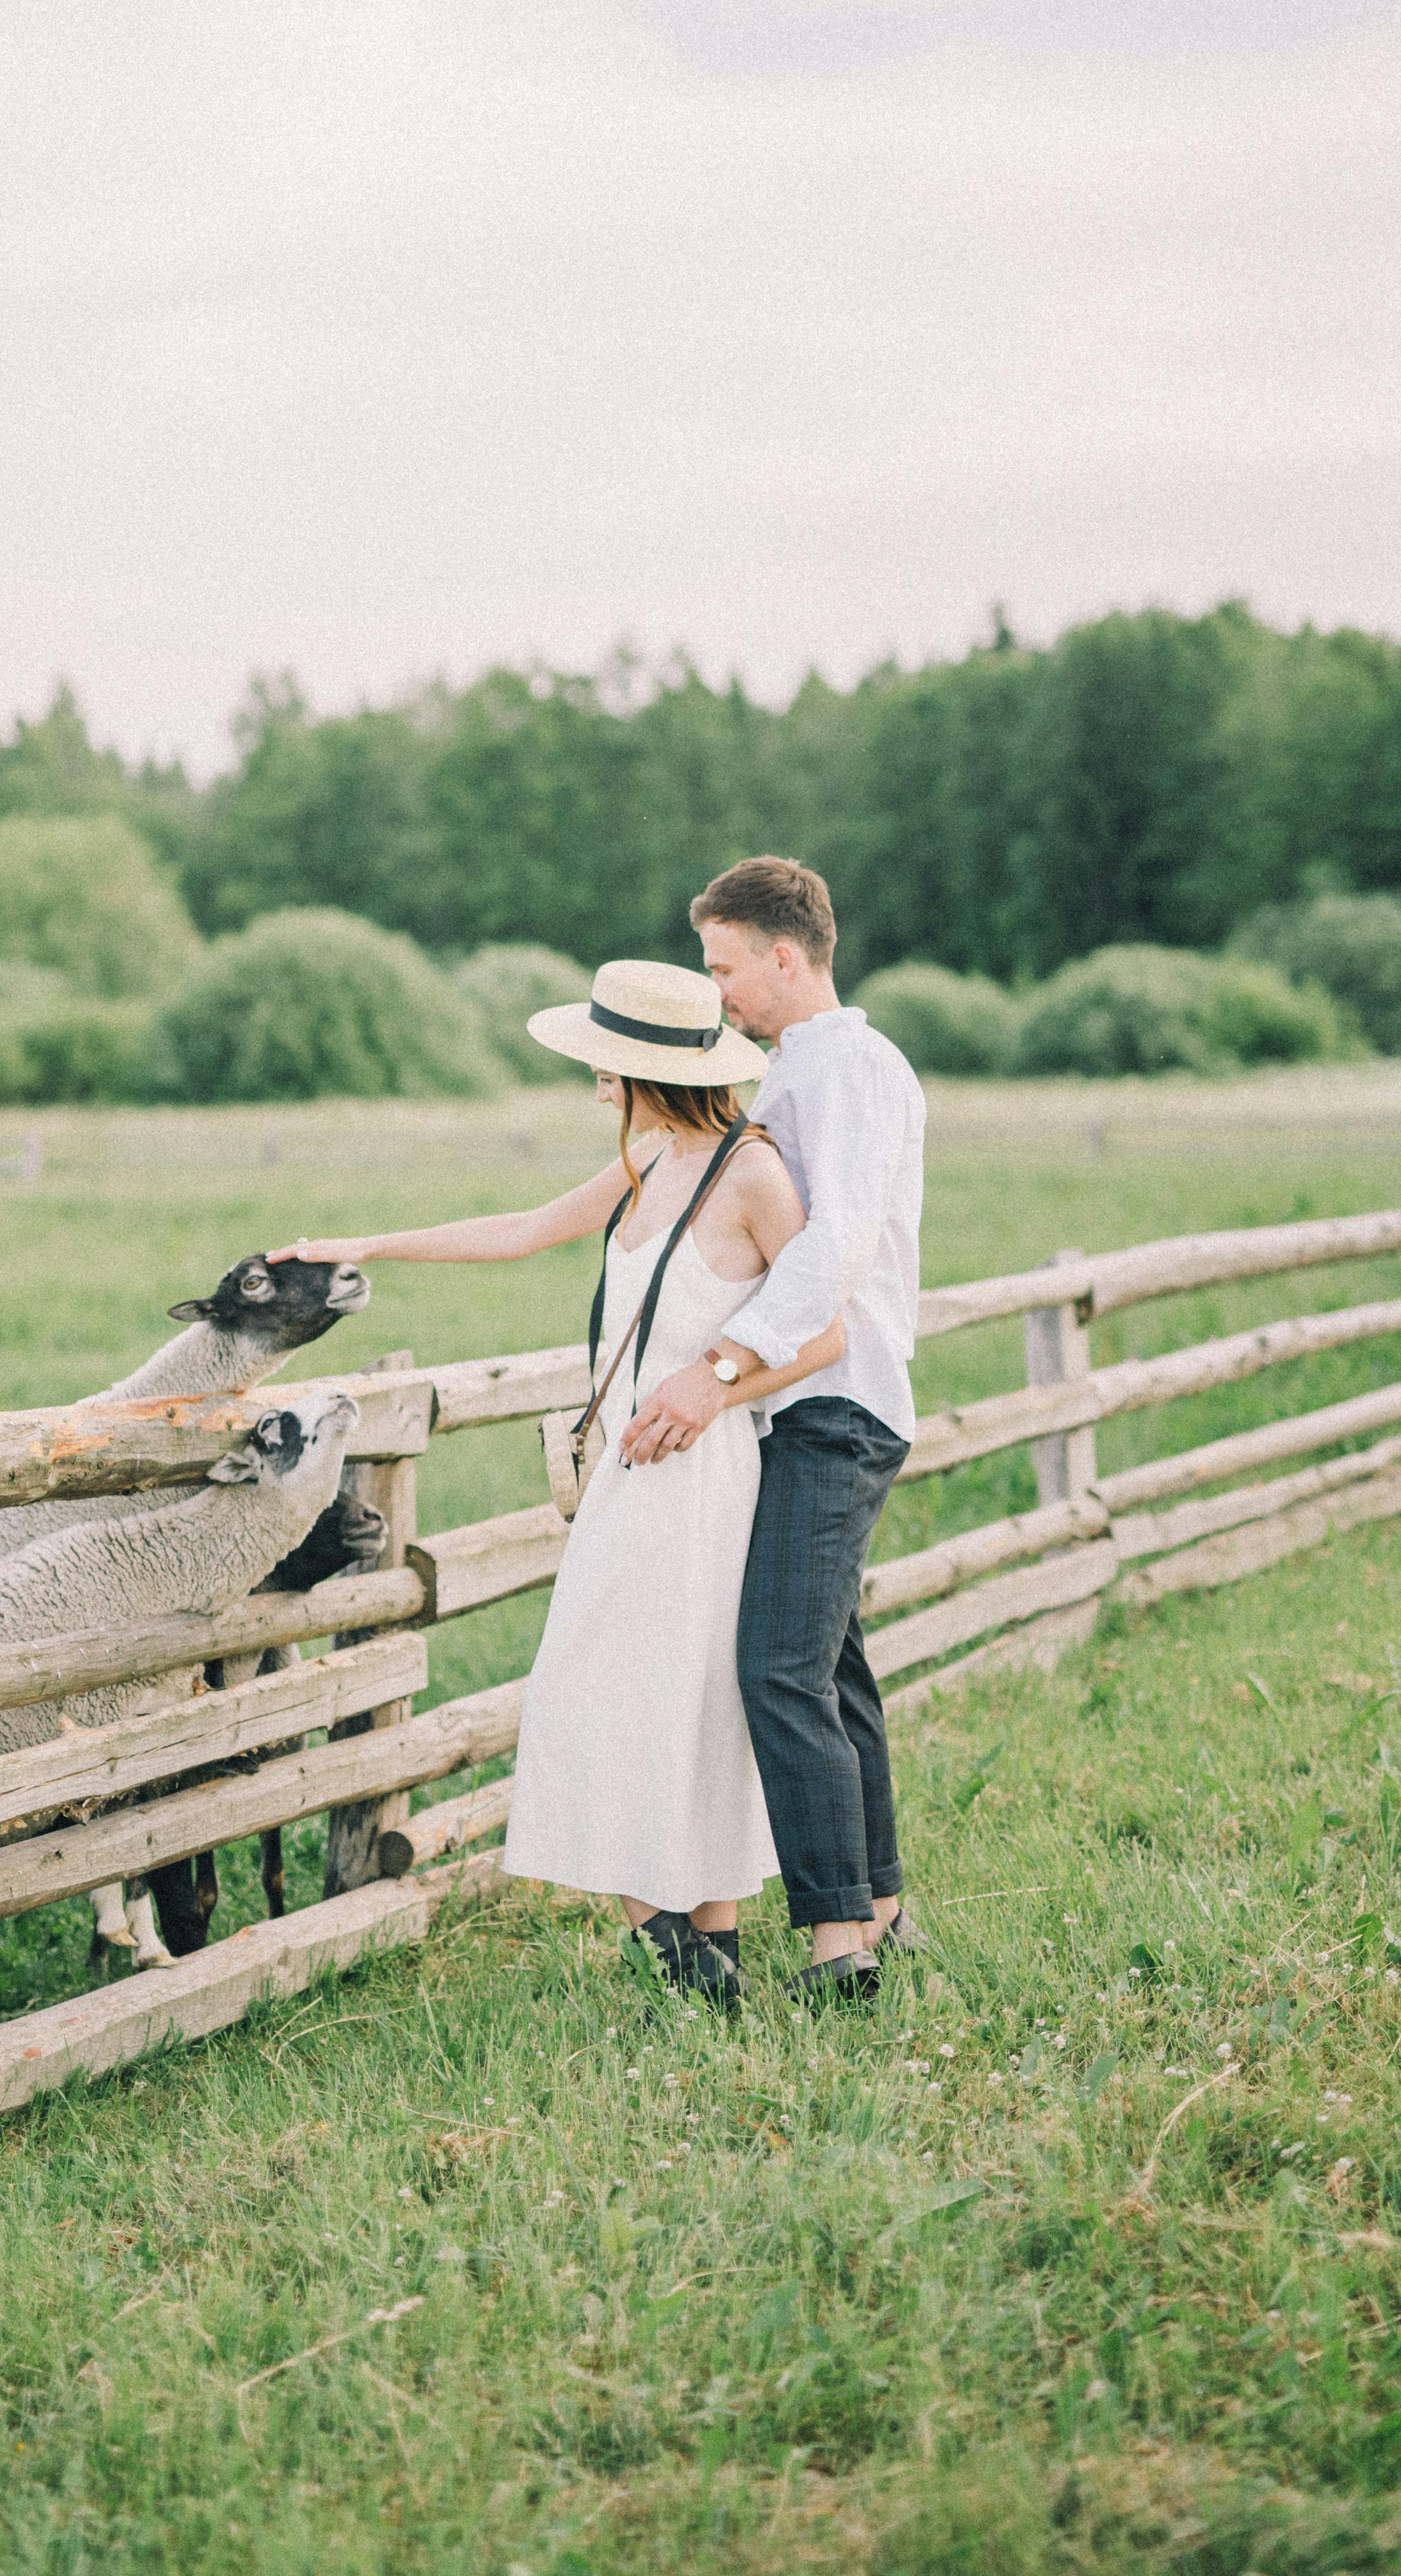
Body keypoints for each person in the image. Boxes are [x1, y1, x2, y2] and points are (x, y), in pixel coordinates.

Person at [267, 958, 847, 2006]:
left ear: (640, 1068)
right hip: (632, 1479)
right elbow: (523, 1230)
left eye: (602, 1061)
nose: (591, 1078)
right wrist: (369, 1245)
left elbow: (827, 1331)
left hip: (704, 1480)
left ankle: (680, 1946)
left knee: (649, 1699)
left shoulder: (750, 1175)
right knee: (640, 1698)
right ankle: (701, 1960)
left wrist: (713, 1388)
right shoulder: (647, 1157)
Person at [618, 857, 925, 2003]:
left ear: (785, 958)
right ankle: (879, 1912)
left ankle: (840, 1949)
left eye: (726, 967)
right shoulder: (794, 1068)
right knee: (833, 1667)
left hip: (832, 1406)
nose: (719, 992)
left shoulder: (852, 1070)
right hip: (799, 1404)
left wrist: (720, 1368)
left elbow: (833, 1246)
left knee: (779, 1671)